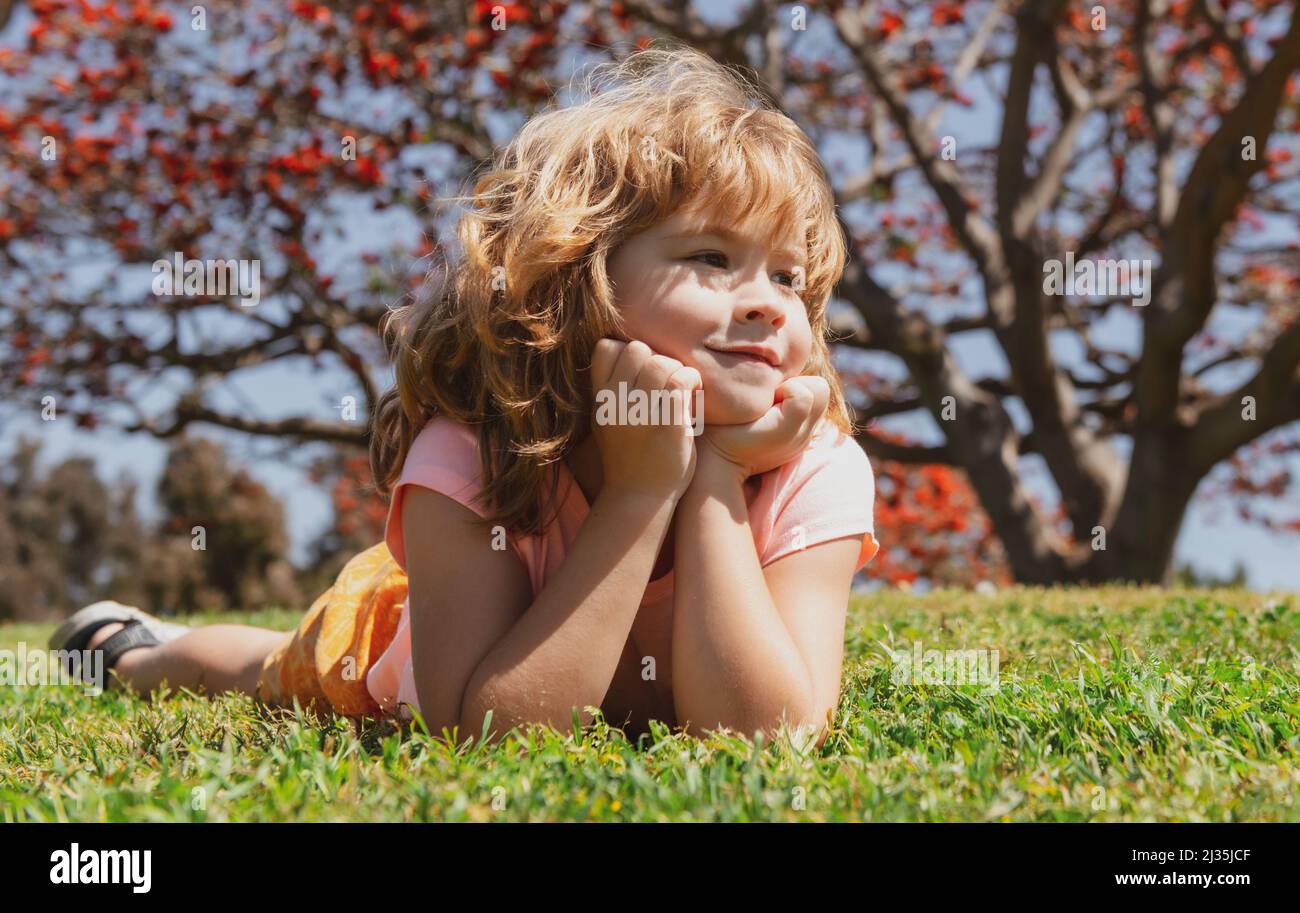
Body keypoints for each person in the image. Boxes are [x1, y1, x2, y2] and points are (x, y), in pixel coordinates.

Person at [50, 43, 879, 748]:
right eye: (709, 257)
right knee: (264, 673)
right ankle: (141, 650)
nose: (771, 301)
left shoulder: (816, 466)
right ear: (575, 276)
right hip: (405, 636)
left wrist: (714, 482)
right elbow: (489, 737)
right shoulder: (480, 450)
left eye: (788, 275)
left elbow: (768, 737)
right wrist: (638, 491)